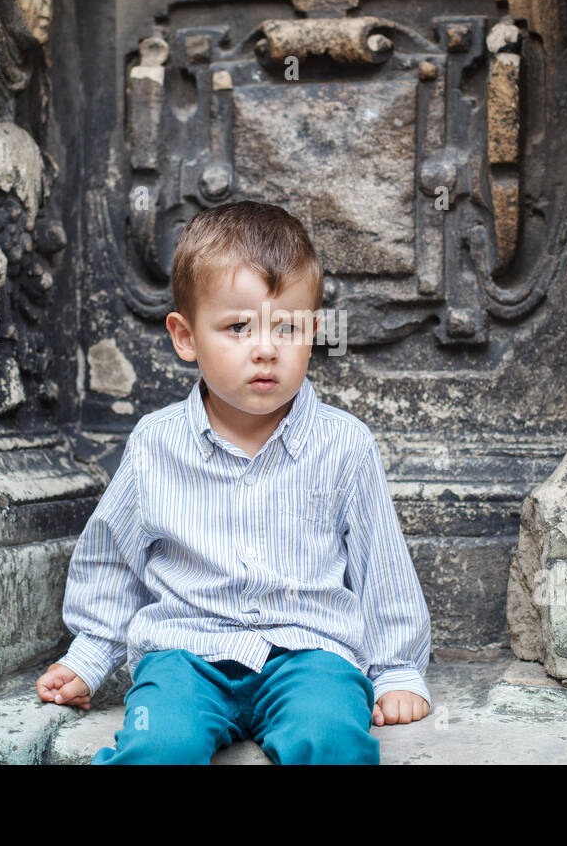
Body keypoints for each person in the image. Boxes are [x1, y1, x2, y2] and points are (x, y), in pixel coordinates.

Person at [36, 200, 431, 764]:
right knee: (159, 744)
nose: (266, 347)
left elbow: (381, 564)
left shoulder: (344, 444)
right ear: (185, 336)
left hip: (310, 655)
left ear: (313, 333)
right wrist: (90, 656)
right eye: (238, 326)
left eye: (287, 327)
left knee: (331, 735)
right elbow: (113, 558)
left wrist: (397, 671)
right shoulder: (156, 444)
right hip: (183, 656)